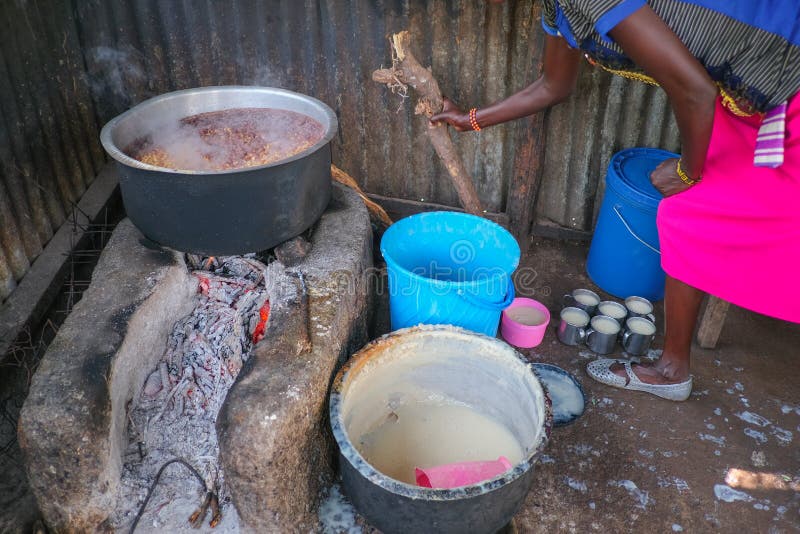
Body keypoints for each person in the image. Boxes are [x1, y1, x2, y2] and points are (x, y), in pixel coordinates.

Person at [431, 0, 800, 401]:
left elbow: (695, 92)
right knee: (692, 216)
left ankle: (671, 371)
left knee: (689, 214)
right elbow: (554, 85)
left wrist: (685, 173)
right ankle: (674, 367)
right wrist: (469, 120)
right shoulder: (558, 9)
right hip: (748, 104)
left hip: (782, 91)